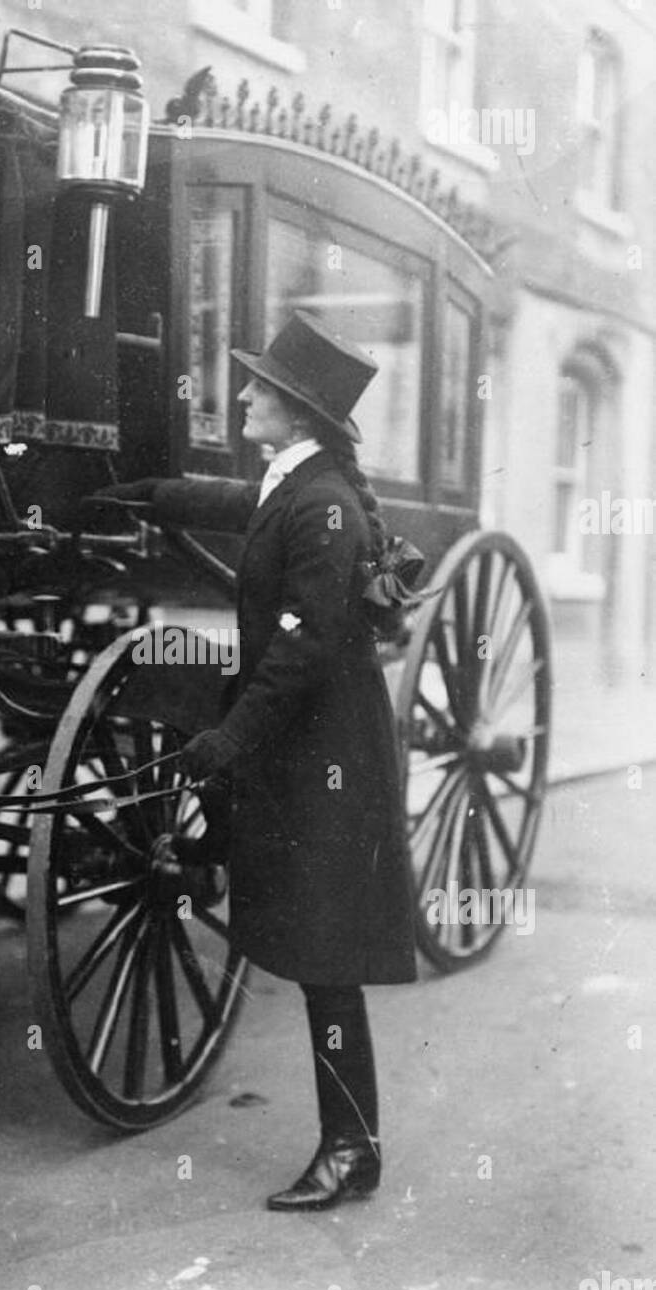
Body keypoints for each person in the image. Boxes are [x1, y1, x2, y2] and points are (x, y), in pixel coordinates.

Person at [99, 310, 419, 1212]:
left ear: (297, 412)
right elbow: (238, 504)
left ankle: (351, 1150)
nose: (241, 395)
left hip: (327, 751)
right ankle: (350, 1144)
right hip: (307, 740)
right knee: (311, 940)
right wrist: (148, 493)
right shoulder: (299, 483)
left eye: (259, 389)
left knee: (327, 957)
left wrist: (228, 741)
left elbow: (307, 647)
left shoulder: (325, 507)